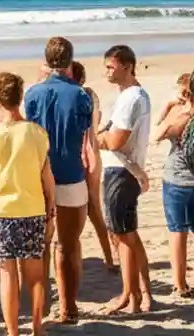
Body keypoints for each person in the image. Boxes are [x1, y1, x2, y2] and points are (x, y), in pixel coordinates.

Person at [23, 36, 95, 324]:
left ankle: (41, 308)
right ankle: (68, 306)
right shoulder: (80, 95)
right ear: (69, 61)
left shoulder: (32, 93)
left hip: (40, 174)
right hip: (70, 172)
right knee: (68, 244)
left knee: (41, 245)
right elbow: (84, 131)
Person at [0, 72, 54, 336]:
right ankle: (37, 326)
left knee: (7, 274)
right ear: (20, 98)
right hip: (31, 207)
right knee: (35, 273)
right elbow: (47, 177)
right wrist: (51, 207)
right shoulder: (37, 133)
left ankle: (12, 331)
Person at [153, 62, 194, 298]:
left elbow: (156, 134)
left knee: (177, 232)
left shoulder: (182, 114)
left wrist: (171, 105)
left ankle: (180, 285)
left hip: (178, 179)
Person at [96, 45, 154, 315]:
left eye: (111, 66)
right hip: (125, 170)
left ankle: (129, 295)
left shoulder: (132, 97)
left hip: (121, 171)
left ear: (127, 66)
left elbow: (116, 139)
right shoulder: (131, 95)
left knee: (122, 236)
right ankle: (142, 294)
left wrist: (96, 140)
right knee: (128, 233)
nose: (107, 71)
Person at [72, 60, 117, 271]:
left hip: (84, 152)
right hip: (92, 152)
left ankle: (109, 256)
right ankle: (109, 255)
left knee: (90, 207)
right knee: (94, 208)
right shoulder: (90, 95)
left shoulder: (78, 97)